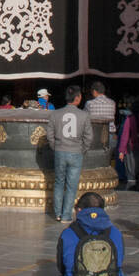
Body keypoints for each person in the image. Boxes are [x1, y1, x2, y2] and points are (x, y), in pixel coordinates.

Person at [54, 192, 130, 276]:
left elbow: (61, 268)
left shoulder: (67, 233)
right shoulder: (115, 232)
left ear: (79, 210)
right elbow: (119, 263)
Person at [47, 85, 93, 222]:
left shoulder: (55, 114)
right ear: (77, 98)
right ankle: (66, 215)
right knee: (71, 186)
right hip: (76, 152)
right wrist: (82, 149)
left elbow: (49, 134)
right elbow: (89, 137)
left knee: (59, 183)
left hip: (60, 151)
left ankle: (57, 213)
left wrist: (55, 147)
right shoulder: (84, 115)